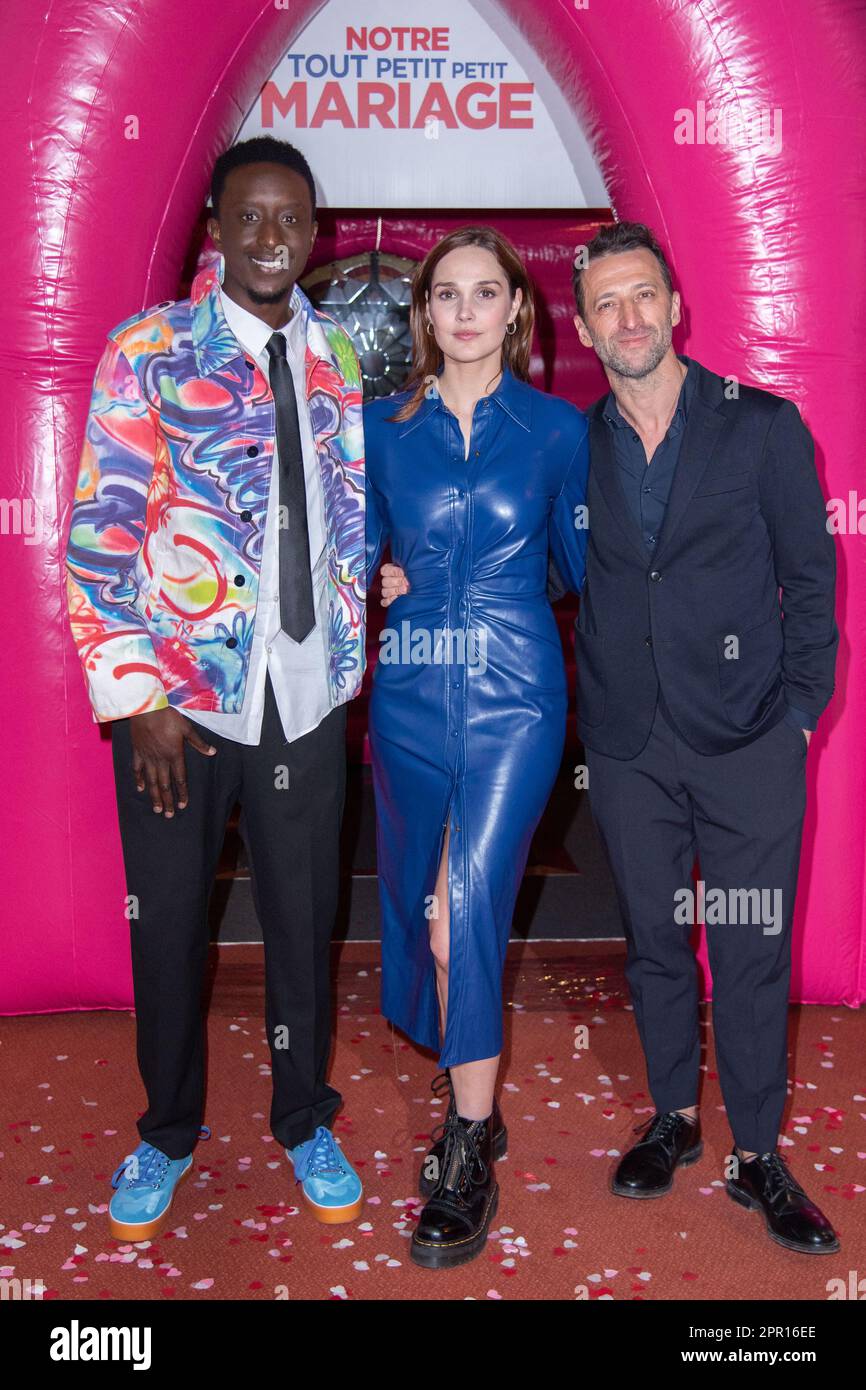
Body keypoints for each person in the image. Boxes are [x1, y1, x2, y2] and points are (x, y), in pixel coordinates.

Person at [65, 136, 367, 1239]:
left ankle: (304, 1116)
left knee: (304, 918)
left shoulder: (333, 351)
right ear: (216, 231)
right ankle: (166, 1131)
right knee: (170, 928)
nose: (272, 240)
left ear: (314, 232)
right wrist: (136, 695)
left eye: (292, 220)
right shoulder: (148, 349)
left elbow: (333, 508)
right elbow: (99, 536)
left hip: (307, 696)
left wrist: (350, 626)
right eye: (251, 219)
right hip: (179, 708)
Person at [568, 221, 840, 1254]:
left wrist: (796, 721)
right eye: (606, 303)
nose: (629, 317)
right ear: (586, 327)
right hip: (631, 743)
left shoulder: (761, 427)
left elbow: (811, 588)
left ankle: (758, 1151)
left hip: (746, 745)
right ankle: (674, 1116)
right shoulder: (576, 445)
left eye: (645, 296)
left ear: (674, 307)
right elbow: (545, 567)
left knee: (750, 948)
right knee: (652, 943)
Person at [364, 226, 589, 1269]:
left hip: (514, 701)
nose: (463, 309)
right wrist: (379, 583)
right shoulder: (381, 430)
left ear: (515, 310)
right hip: (407, 697)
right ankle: (474, 1093)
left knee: (463, 921)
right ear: (425, 313)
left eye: (483, 291)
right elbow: (350, 557)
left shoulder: (555, 433)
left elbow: (582, 564)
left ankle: (465, 1150)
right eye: (444, 293)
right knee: (421, 913)